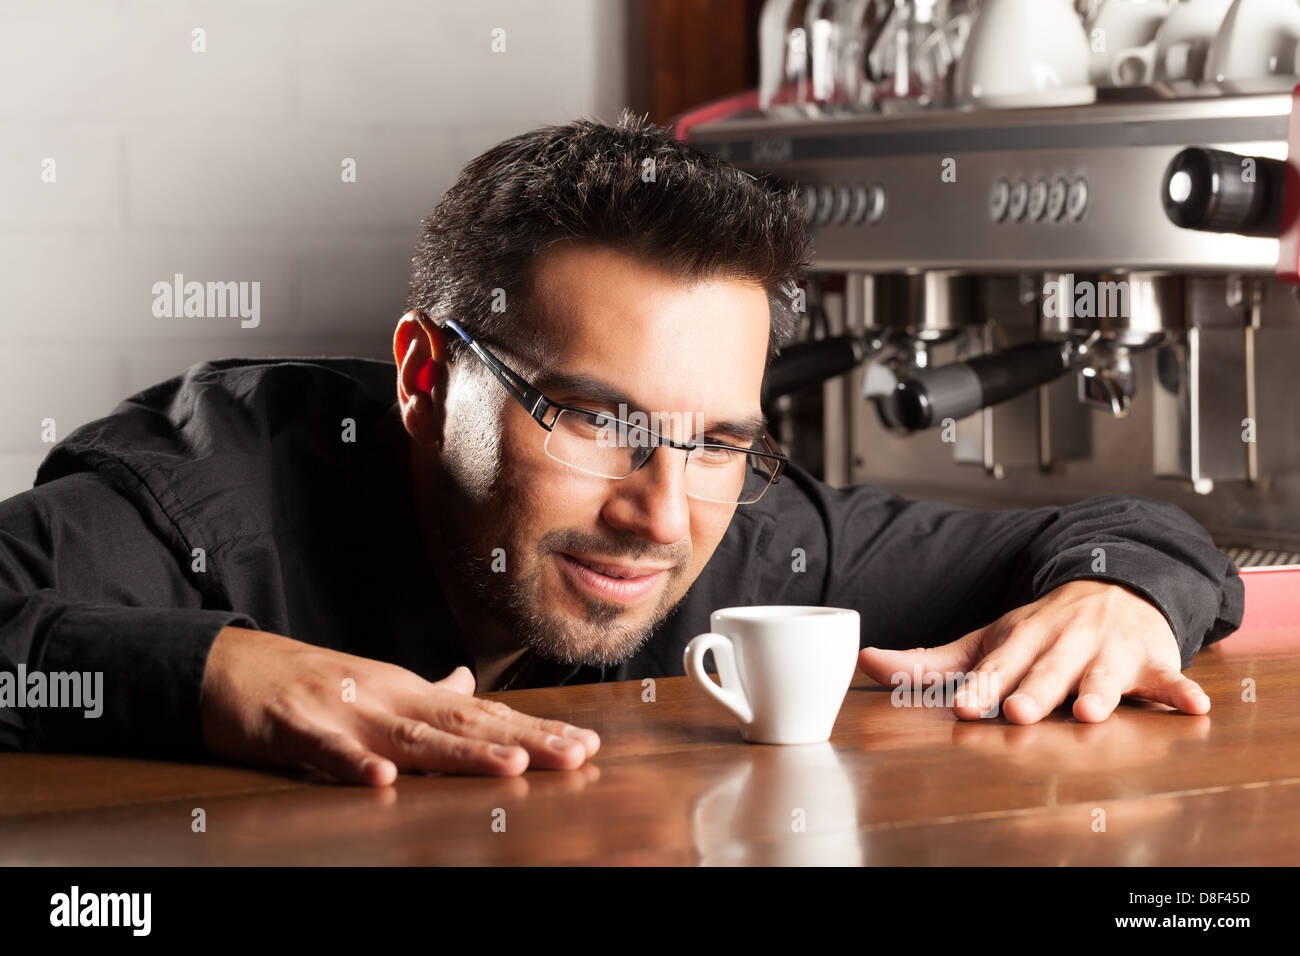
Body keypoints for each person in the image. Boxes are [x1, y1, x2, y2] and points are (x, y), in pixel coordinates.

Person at [0, 112, 1243, 785]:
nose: (661, 514)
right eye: (598, 419)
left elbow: (1124, 533)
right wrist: (222, 674)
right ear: (429, 379)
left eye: (715, 440)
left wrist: (1116, 596)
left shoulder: (747, 528)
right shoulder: (205, 498)